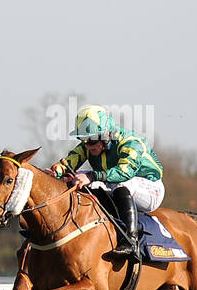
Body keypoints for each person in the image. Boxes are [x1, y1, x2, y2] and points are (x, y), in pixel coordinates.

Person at [49, 104, 164, 262]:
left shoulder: (130, 142)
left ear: (106, 134)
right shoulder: (90, 145)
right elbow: (70, 161)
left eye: (92, 140)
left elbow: (124, 172)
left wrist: (92, 176)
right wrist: (56, 171)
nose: (88, 145)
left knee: (120, 184)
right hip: (115, 185)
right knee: (76, 178)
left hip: (150, 188)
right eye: (83, 140)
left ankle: (130, 241)